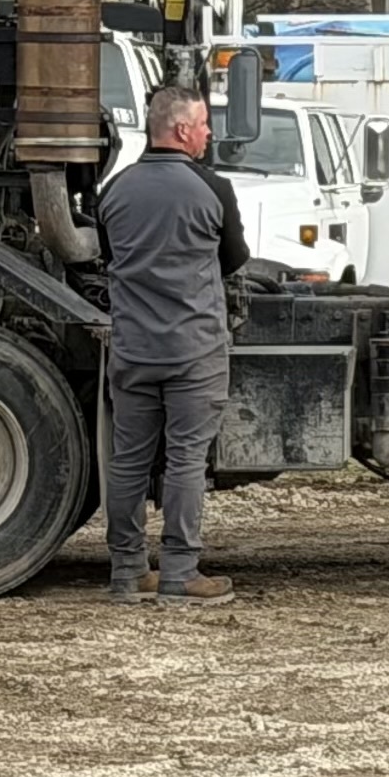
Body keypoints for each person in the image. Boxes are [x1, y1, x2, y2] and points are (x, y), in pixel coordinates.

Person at [99, 84, 247, 605]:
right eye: (204, 123)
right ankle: (181, 573)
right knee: (185, 460)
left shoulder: (114, 191)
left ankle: (127, 572)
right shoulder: (212, 190)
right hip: (194, 350)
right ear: (182, 129)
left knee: (128, 461)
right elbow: (234, 259)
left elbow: (106, 257)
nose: (209, 132)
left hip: (134, 349)